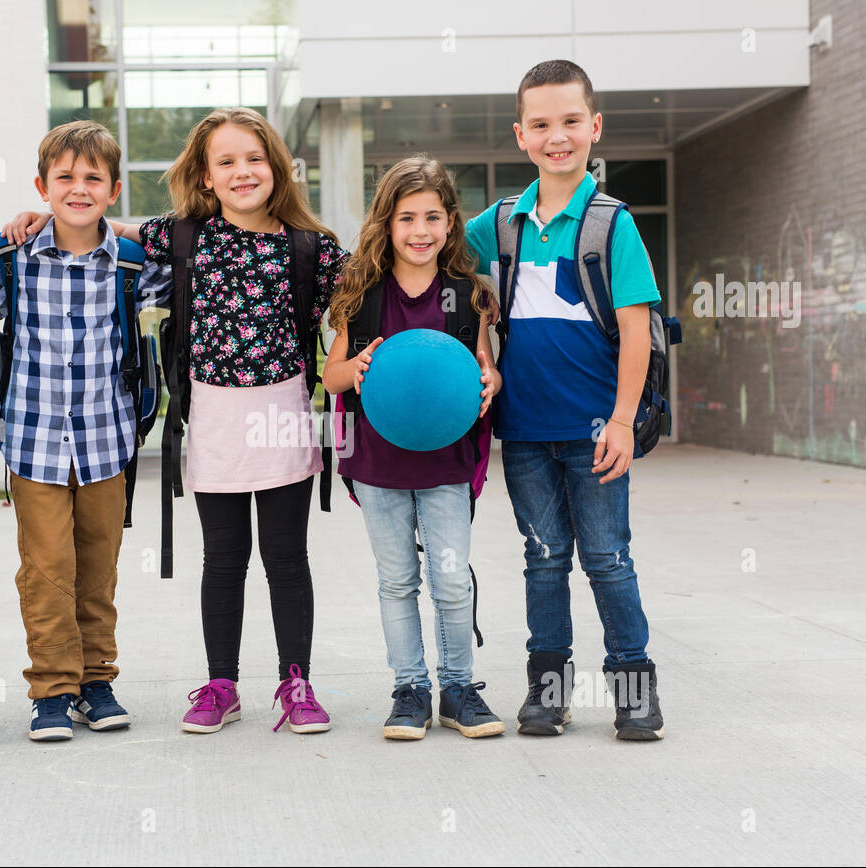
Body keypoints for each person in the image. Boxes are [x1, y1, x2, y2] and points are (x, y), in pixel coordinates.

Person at [122, 108, 348, 734]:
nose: (242, 171)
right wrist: (43, 218)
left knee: (286, 557)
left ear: (277, 167)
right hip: (215, 417)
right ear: (205, 176)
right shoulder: (184, 236)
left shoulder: (312, 248)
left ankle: (296, 682)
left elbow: (371, 291)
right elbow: (108, 230)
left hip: (283, 415)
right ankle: (221, 684)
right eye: (226, 162)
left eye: (254, 158)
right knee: (222, 559)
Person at [463, 59, 665, 740]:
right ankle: (548, 692)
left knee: (608, 558)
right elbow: (429, 258)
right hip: (523, 432)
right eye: (542, 124)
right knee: (544, 559)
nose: (558, 136)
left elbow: (637, 331)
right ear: (520, 134)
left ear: (594, 128)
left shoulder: (614, 226)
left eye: (571, 122)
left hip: (597, 433)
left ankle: (633, 688)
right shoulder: (496, 226)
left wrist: (622, 422)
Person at [0, 120, 163, 741]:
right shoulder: (10, 261)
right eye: (65, 178)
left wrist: (125, 231)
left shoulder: (135, 267)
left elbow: (199, 250)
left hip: (107, 441)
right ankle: (53, 692)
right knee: (47, 568)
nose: (79, 188)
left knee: (99, 568)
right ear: (43, 186)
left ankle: (97, 683)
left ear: (114, 190)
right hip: (32, 442)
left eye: (94, 178)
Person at [324, 155, 504, 740]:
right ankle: (410, 689)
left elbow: (485, 368)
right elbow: (330, 378)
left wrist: (490, 381)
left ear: (451, 222)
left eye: (432, 216)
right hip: (379, 462)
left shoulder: (466, 294)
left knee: (451, 578)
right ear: (387, 223)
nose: (420, 230)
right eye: (407, 218)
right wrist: (356, 366)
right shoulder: (361, 292)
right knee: (397, 580)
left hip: (446, 461)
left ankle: (458, 687)